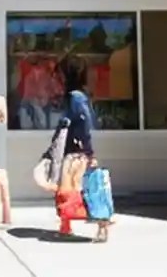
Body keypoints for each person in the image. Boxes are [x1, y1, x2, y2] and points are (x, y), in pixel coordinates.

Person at [53, 56, 109, 242]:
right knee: (68, 189)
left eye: (61, 73)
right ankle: (65, 225)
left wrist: (89, 151)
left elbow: (85, 124)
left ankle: (101, 225)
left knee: (85, 190)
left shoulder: (76, 98)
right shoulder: (74, 97)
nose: (58, 77)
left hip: (76, 150)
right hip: (73, 149)